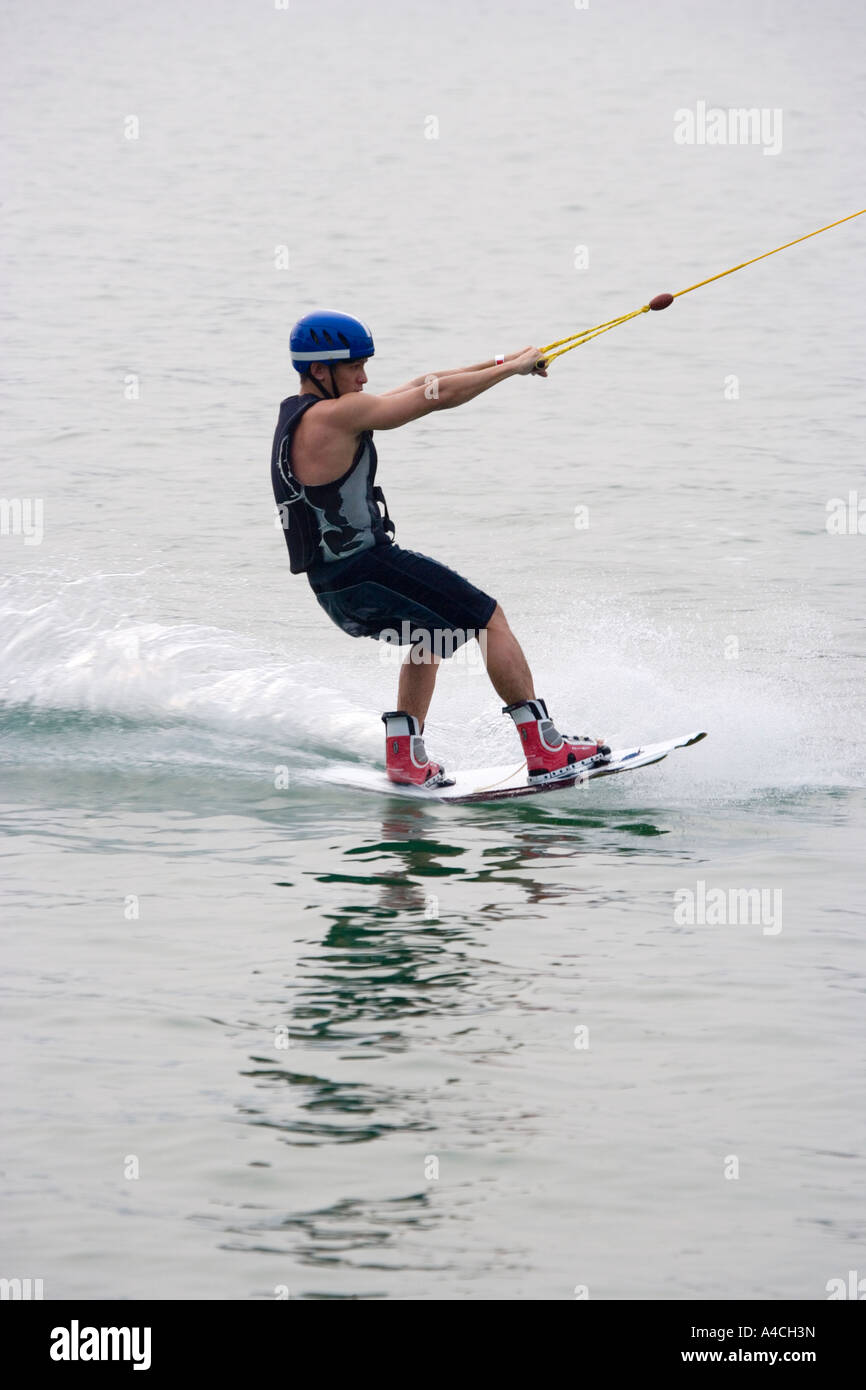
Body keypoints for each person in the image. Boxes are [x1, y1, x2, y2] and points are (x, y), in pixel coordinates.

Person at [271, 309, 609, 787]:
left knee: (432, 634)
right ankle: (545, 749)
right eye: (354, 368)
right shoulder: (338, 413)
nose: (364, 377)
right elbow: (435, 397)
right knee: (488, 620)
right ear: (320, 370)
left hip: (332, 586)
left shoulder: (308, 414)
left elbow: (422, 382)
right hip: (366, 567)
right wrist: (511, 371)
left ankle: (405, 758)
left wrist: (505, 361)